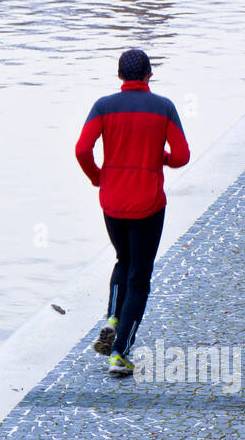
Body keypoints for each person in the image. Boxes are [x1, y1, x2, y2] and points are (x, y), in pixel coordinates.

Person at [75, 49, 190, 376]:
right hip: (148, 205)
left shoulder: (103, 106)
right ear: (149, 75)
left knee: (122, 261)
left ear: (120, 77)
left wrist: (98, 176)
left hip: (112, 202)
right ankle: (120, 353)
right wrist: (161, 158)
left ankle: (113, 316)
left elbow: (82, 149)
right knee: (139, 277)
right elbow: (181, 156)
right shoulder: (163, 107)